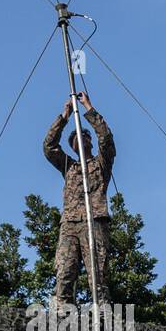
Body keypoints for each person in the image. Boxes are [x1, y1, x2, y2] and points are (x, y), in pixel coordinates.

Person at [43, 90, 115, 305]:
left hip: (94, 221)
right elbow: (48, 147)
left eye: (82, 137)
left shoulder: (100, 164)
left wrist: (89, 108)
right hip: (70, 224)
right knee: (65, 269)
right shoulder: (69, 167)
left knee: (98, 271)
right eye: (74, 139)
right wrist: (64, 117)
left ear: (89, 141)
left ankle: (102, 310)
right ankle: (64, 309)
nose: (79, 140)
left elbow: (106, 139)